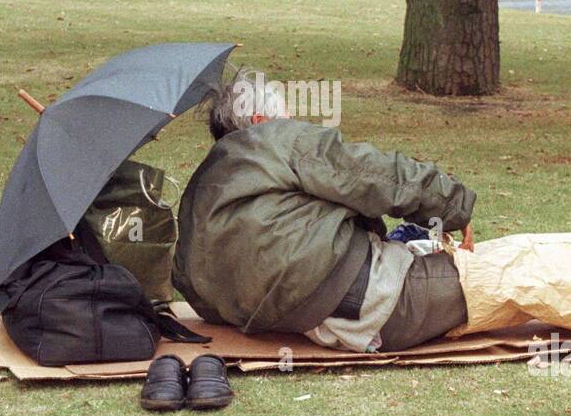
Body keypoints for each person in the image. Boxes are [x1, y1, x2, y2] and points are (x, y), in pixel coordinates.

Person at [172, 70, 475, 352]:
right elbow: (375, 175)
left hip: (280, 321)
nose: (293, 120)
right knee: (506, 272)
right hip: (360, 303)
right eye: (287, 115)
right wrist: (453, 204)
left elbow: (191, 285)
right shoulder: (280, 139)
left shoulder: (200, 186)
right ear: (261, 119)